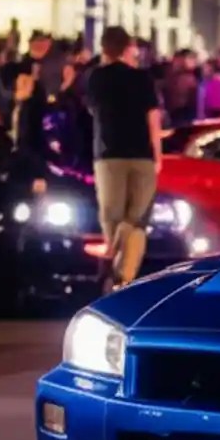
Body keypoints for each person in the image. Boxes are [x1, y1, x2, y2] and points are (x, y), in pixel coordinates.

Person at [85, 26, 163, 291]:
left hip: (108, 154)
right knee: (138, 219)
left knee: (111, 214)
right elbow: (153, 120)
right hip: (142, 155)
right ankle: (124, 278)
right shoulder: (143, 78)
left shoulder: (95, 78)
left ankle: (112, 256)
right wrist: (158, 154)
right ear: (128, 47)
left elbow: (91, 110)